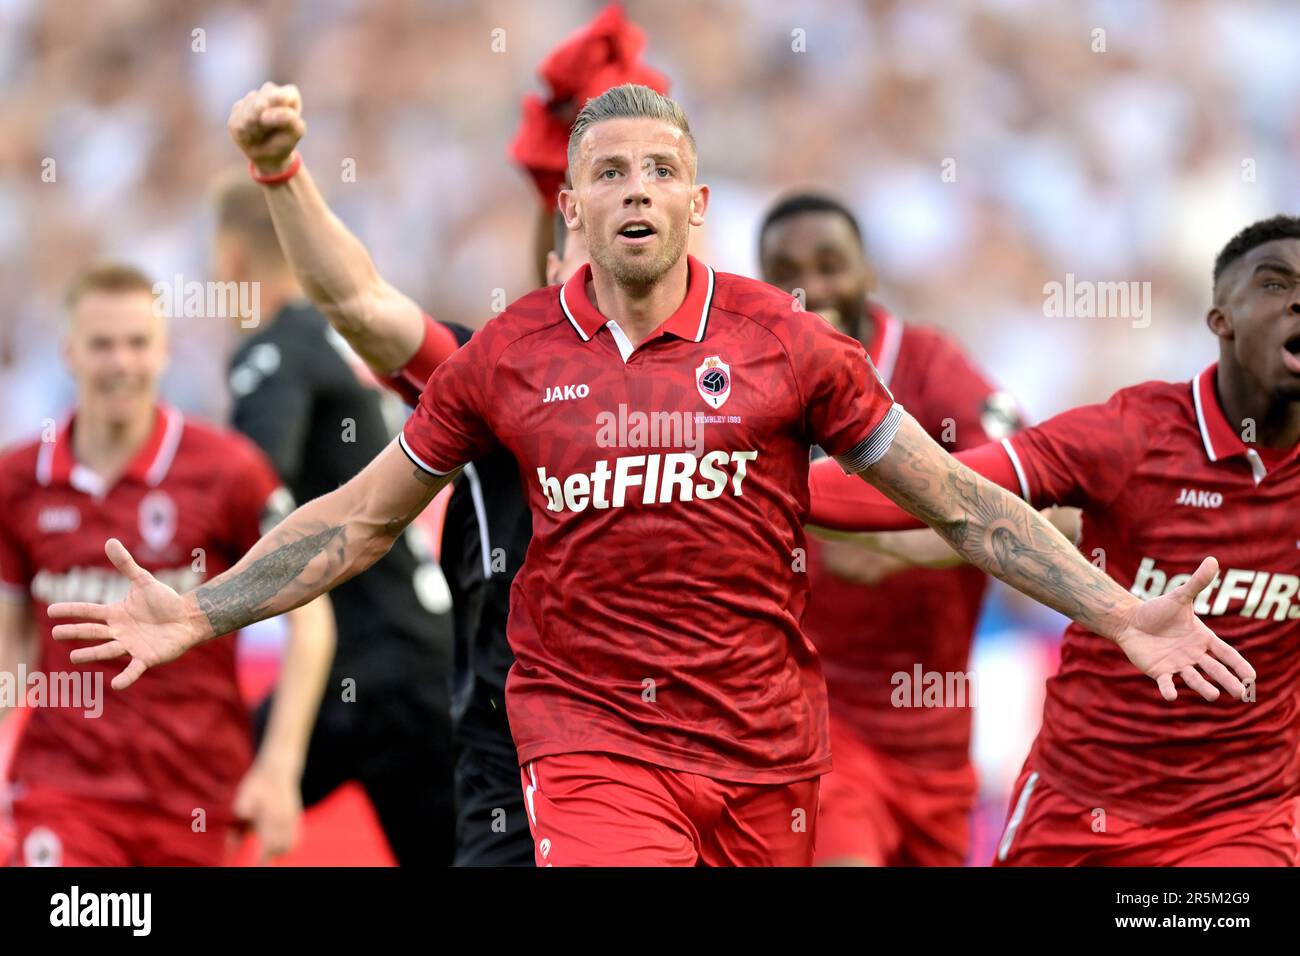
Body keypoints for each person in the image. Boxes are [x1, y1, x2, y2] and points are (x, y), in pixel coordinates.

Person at [50, 85, 1252, 868]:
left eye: (657, 168)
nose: (634, 188)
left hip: (764, 752)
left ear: (696, 201)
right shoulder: (507, 355)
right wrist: (203, 607)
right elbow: (362, 519)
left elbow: (956, 501)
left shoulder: (786, 343)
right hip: (588, 740)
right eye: (609, 171)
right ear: (571, 206)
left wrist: (1114, 607)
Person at [806, 214, 1300, 866]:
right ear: (1220, 320)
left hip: (1240, 821)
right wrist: (770, 485)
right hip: (1083, 807)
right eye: (1275, 284)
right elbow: (956, 491)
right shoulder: (1131, 436)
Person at [0, 263, 333, 866]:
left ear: (164, 353)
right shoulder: (17, 481)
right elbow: (9, 649)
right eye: (102, 344)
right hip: (62, 791)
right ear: (69, 353)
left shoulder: (228, 471)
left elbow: (312, 622)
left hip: (195, 795)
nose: (121, 363)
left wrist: (279, 768)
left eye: (137, 343)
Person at [758, 192, 1021, 866]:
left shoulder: (933, 369)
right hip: (818, 720)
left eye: (829, 265)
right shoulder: (746, 389)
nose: (811, 289)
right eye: (786, 273)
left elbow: (1055, 514)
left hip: (939, 736)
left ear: (869, 272)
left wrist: (903, 546)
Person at [212, 173, 459, 866]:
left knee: (187, 793)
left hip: (372, 668)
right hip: (418, 658)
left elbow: (248, 482)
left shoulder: (276, 350)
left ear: (231, 259)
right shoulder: (344, 353)